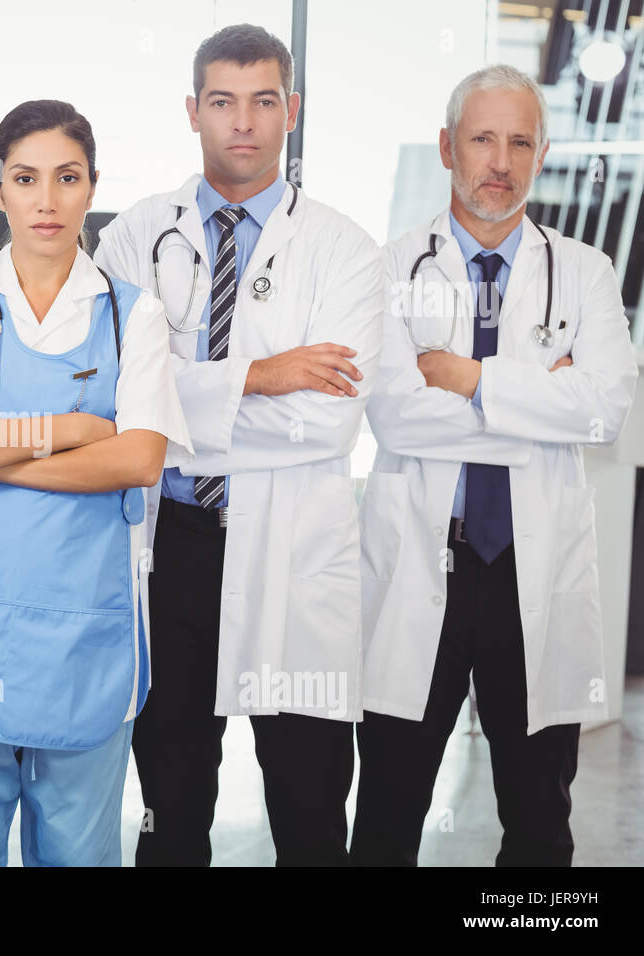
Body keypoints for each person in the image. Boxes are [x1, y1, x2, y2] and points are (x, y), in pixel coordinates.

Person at [94, 24, 384, 866]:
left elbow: (330, 421)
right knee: (171, 809)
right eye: (223, 102)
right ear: (193, 111)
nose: (244, 122)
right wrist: (263, 375)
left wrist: (178, 403)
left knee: (310, 811)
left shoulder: (344, 250)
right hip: (169, 550)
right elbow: (114, 403)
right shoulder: (133, 237)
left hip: (293, 551)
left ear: (292, 109)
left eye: (264, 101)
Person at [351, 64, 638, 867]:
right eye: (482, 138)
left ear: (541, 155)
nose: (500, 161)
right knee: (386, 814)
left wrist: (473, 380)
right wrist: (536, 403)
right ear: (448, 147)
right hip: (423, 560)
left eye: (520, 142)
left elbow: (602, 410)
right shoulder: (389, 269)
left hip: (531, 572)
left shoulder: (585, 272)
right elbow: (396, 415)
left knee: (541, 820)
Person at [0, 99, 192, 867]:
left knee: (78, 855)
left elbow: (138, 460)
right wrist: (70, 426)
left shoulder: (135, 317)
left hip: (80, 639)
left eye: (66, 177)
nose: (47, 199)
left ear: (92, 185)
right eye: (26, 178)